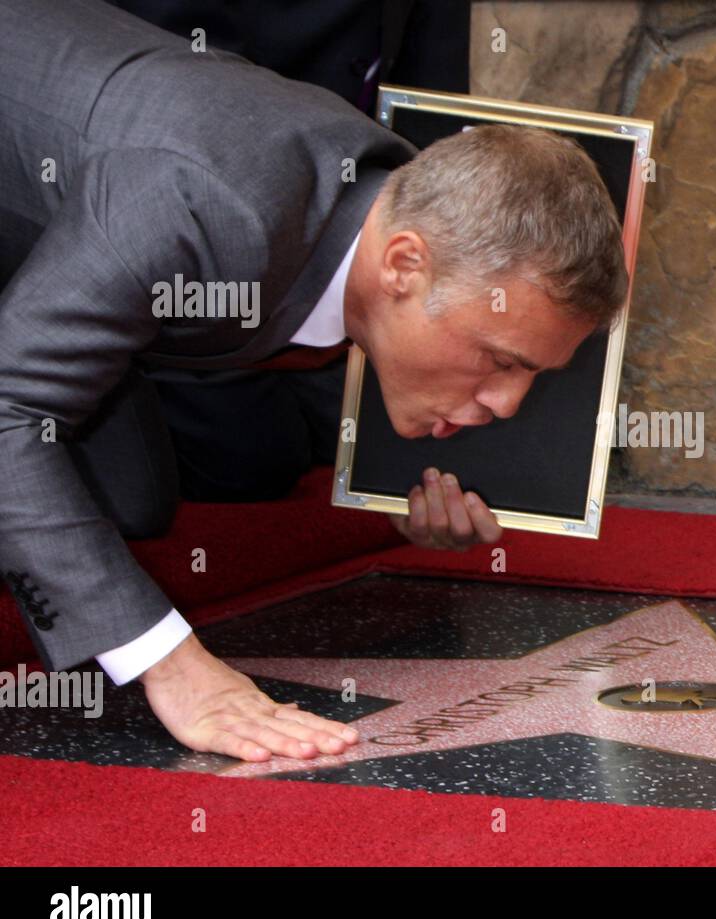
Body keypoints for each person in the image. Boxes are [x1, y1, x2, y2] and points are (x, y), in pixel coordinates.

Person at [0, 0, 628, 762]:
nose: (506, 403)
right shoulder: (201, 204)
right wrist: (173, 665)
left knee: (129, 504)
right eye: (502, 360)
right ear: (404, 264)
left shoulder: (376, 197)